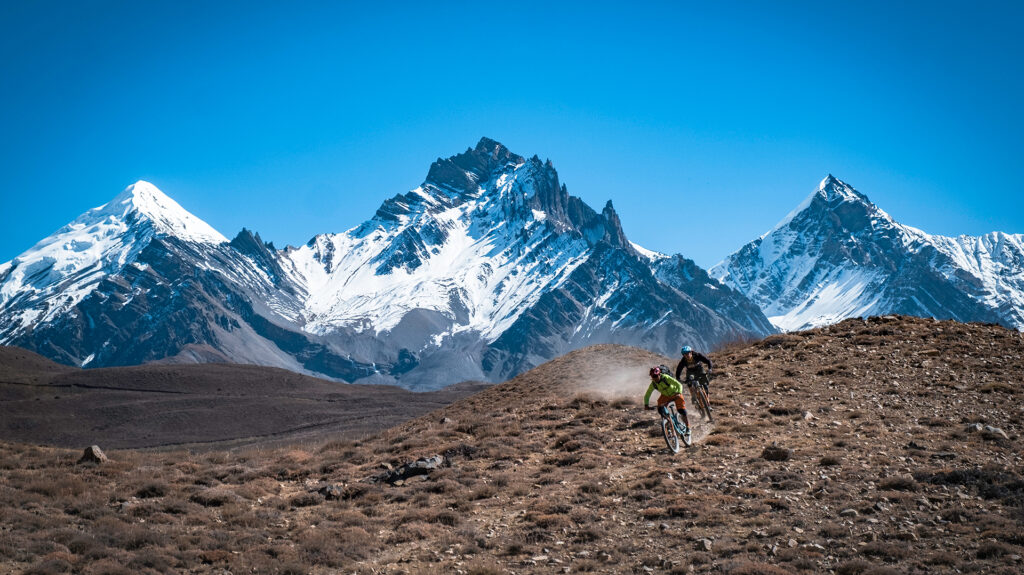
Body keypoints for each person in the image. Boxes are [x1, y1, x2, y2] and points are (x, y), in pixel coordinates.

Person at [644, 366, 690, 439]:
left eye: (655, 376)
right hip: (665, 396)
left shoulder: (665, 378)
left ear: (659, 374)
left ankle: (688, 428)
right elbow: (647, 394)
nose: (654, 378)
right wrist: (646, 405)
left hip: (675, 393)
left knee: (681, 410)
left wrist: (679, 393)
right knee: (661, 409)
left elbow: (679, 384)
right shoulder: (653, 384)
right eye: (653, 376)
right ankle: (669, 426)